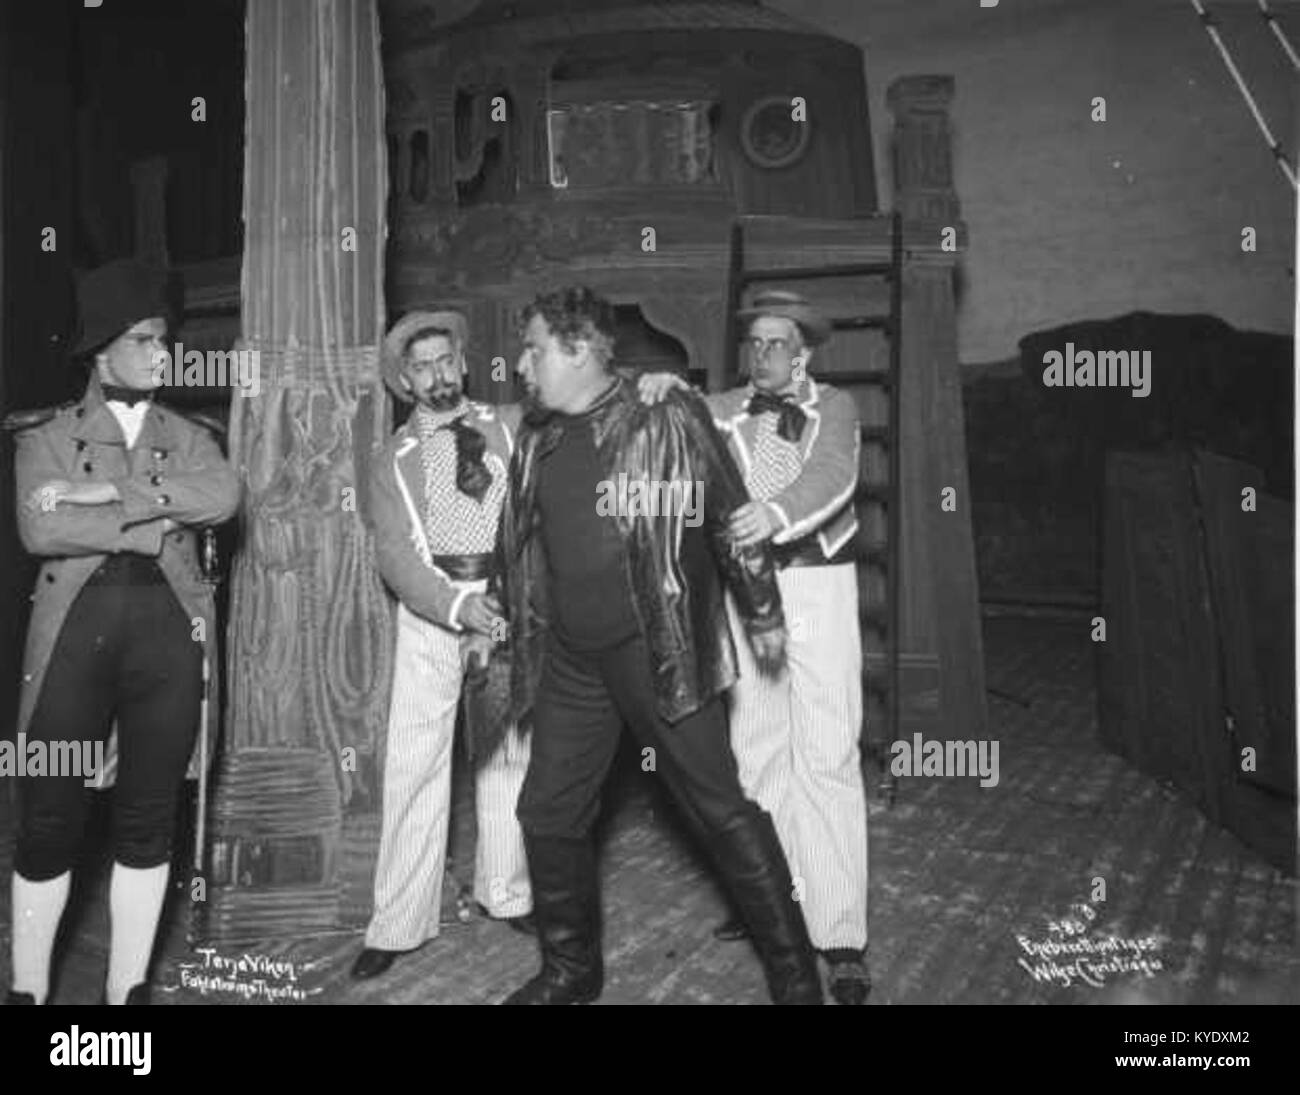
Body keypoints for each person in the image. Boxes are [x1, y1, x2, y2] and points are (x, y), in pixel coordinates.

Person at [495, 286, 822, 1005]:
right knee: (546, 812)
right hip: (574, 661)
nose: (522, 364)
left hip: (660, 645)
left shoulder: (665, 414)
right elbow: (517, 544)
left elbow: (733, 512)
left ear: (579, 349)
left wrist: (761, 608)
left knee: (719, 808)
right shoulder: (535, 434)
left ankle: (798, 978)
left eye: (535, 348)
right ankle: (571, 972)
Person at [7, 259, 240, 1005]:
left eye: (164, 339)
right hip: (73, 641)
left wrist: (108, 491)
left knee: (149, 820)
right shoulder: (42, 434)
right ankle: (28, 991)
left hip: (171, 644)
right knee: (48, 819)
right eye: (143, 339)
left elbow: (226, 494)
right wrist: (155, 522)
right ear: (102, 351)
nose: (161, 353)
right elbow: (42, 529)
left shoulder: (191, 432)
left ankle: (126, 997)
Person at [646, 288, 871, 1004]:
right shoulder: (726, 408)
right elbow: (679, 413)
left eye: (778, 343)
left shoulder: (835, 406)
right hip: (747, 594)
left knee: (827, 751)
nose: (764, 354)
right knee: (757, 749)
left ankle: (840, 935)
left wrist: (769, 514)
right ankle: (772, 903)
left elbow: (834, 476)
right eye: (756, 343)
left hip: (817, 585)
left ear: (804, 350)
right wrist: (657, 385)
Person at [350, 309, 535, 981]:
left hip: (507, 611)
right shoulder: (390, 460)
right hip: (433, 617)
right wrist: (458, 606)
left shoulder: (513, 425)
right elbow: (395, 556)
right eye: (419, 366)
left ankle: (506, 890)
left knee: (507, 754)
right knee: (415, 762)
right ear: (405, 380)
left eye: (444, 359)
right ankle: (399, 921)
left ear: (462, 361)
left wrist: (508, 602)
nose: (436, 374)